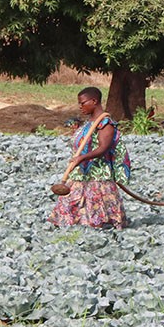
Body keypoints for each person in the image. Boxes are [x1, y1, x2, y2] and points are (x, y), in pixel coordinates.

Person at [48, 87, 130, 229]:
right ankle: (72, 224)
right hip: (81, 172)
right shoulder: (89, 123)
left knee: (97, 201)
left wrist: (83, 157)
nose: (80, 107)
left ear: (94, 101)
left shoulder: (105, 124)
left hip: (98, 174)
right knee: (70, 199)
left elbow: (103, 148)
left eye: (83, 103)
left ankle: (102, 224)